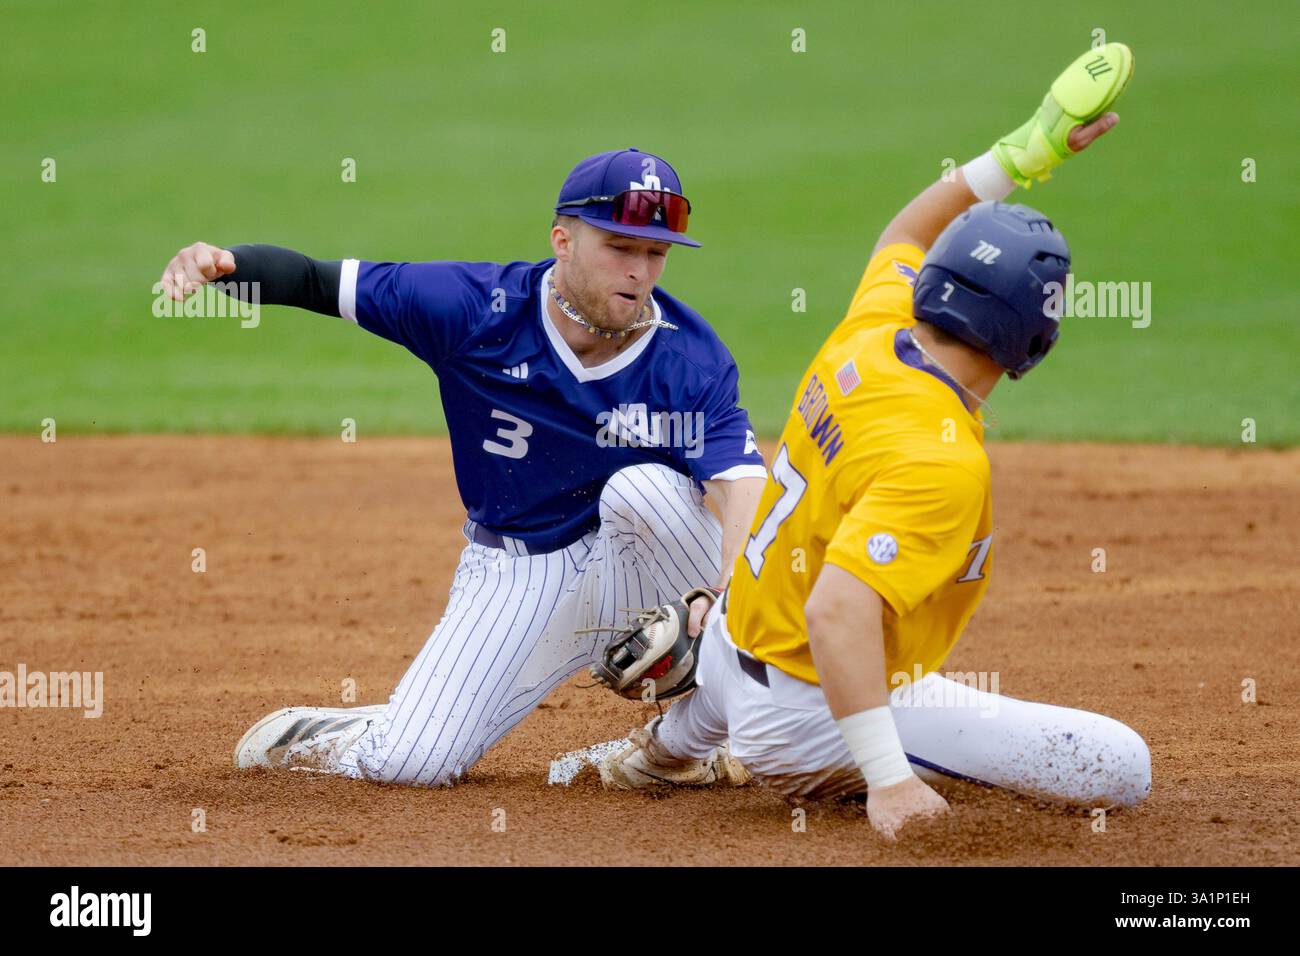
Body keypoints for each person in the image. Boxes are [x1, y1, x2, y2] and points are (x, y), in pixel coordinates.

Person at [596, 44, 1151, 839]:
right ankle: (781, 750)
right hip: (799, 717)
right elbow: (837, 612)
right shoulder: (941, 461)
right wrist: (889, 781)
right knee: (1117, 766)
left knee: (781, 635)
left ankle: (671, 746)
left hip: (731, 640)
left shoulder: (878, 325)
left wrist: (1023, 154)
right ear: (1031, 341)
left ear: (935, 285)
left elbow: (907, 227)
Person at [159, 147, 767, 786]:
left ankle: (673, 752)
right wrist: (223, 268)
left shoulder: (690, 359)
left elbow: (742, 481)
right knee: (409, 764)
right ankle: (379, 725)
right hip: (519, 572)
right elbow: (317, 281)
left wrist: (730, 599)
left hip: (642, 566)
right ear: (562, 239)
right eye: (621, 247)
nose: (641, 270)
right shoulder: (475, 309)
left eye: (656, 253)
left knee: (645, 492)